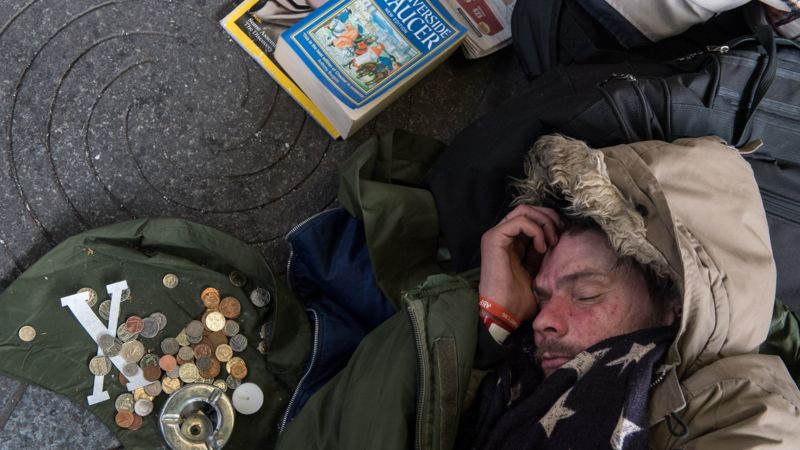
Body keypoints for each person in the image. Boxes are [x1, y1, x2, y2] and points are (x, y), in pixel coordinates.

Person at [276, 135, 800, 449]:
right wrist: (491, 322)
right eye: (544, 296)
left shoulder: (748, 415)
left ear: (675, 299)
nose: (544, 321)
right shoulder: (514, 372)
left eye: (587, 293)